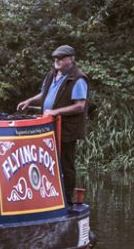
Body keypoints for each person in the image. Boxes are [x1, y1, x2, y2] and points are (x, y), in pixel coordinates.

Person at [17, 44, 89, 197]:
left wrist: (54, 112)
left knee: (66, 165)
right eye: (56, 57)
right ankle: (52, 196)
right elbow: (44, 94)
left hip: (66, 129)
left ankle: (68, 200)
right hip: (48, 128)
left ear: (71, 59)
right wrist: (29, 101)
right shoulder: (52, 74)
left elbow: (79, 106)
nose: (57, 60)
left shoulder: (77, 78)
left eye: (61, 58)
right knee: (48, 163)